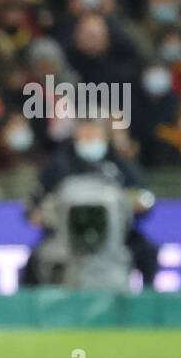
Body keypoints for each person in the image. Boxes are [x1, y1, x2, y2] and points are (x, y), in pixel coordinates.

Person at [21, 116, 157, 286]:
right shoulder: (58, 165)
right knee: (35, 259)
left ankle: (145, 304)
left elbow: (144, 196)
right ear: (76, 135)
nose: (89, 137)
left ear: (105, 135)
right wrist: (37, 214)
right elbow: (35, 201)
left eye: (94, 132)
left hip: (117, 236)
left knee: (148, 252)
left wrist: (138, 205)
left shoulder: (120, 165)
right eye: (85, 132)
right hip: (64, 237)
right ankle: (33, 309)